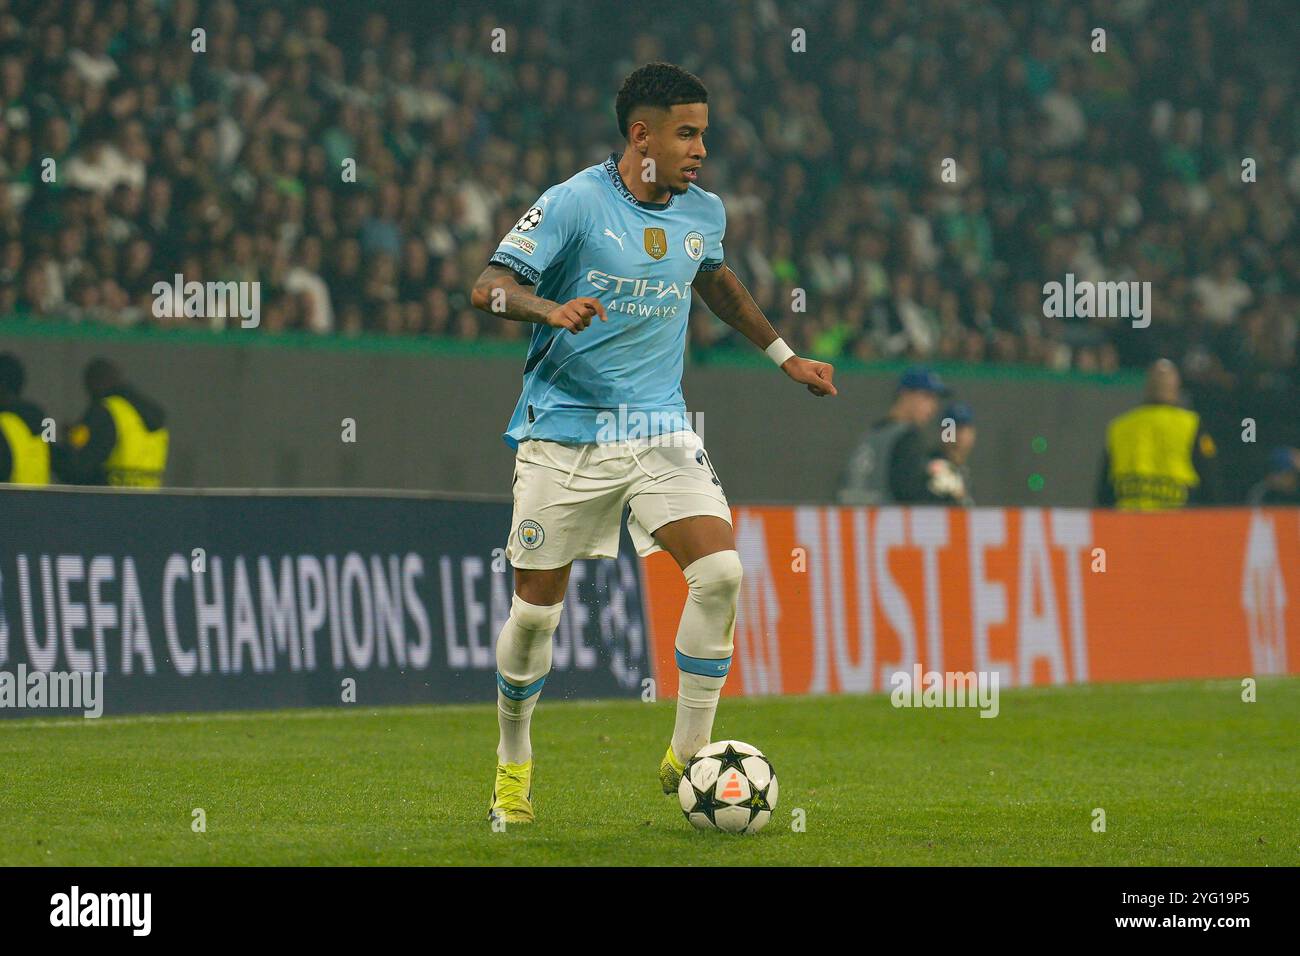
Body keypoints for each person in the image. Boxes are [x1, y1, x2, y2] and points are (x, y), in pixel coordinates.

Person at [469, 62, 836, 825]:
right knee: (535, 617)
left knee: (723, 574)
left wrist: (785, 357)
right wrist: (548, 308)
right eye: (686, 133)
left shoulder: (703, 212)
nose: (701, 148)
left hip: (658, 428)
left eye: (703, 133)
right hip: (565, 434)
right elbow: (488, 286)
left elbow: (716, 280)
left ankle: (688, 753)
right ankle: (512, 764)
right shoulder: (574, 203)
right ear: (642, 136)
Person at [1097, 358, 1219, 509]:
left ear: (1147, 388)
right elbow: (1211, 483)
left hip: (1129, 524)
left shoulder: (1119, 427)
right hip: (1178, 524)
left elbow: (1103, 493)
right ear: (1176, 388)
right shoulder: (1192, 425)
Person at [837, 366, 948, 505]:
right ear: (905, 395)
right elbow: (909, 493)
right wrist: (947, 498)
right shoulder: (907, 437)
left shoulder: (871, 435)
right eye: (927, 397)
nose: (933, 406)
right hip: (884, 523)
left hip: (848, 519)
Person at [52, 357, 169, 487]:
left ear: (95, 383)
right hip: (150, 502)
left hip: (108, 502)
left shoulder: (106, 412)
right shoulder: (148, 413)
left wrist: (57, 448)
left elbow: (78, 469)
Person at [0, 352, 51, 485]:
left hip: (8, 501)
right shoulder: (40, 417)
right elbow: (58, 458)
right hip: (39, 501)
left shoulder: (4, 420)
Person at [927, 401, 976, 506]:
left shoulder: (963, 469)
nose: (957, 436)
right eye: (951, 430)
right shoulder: (931, 465)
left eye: (962, 429)